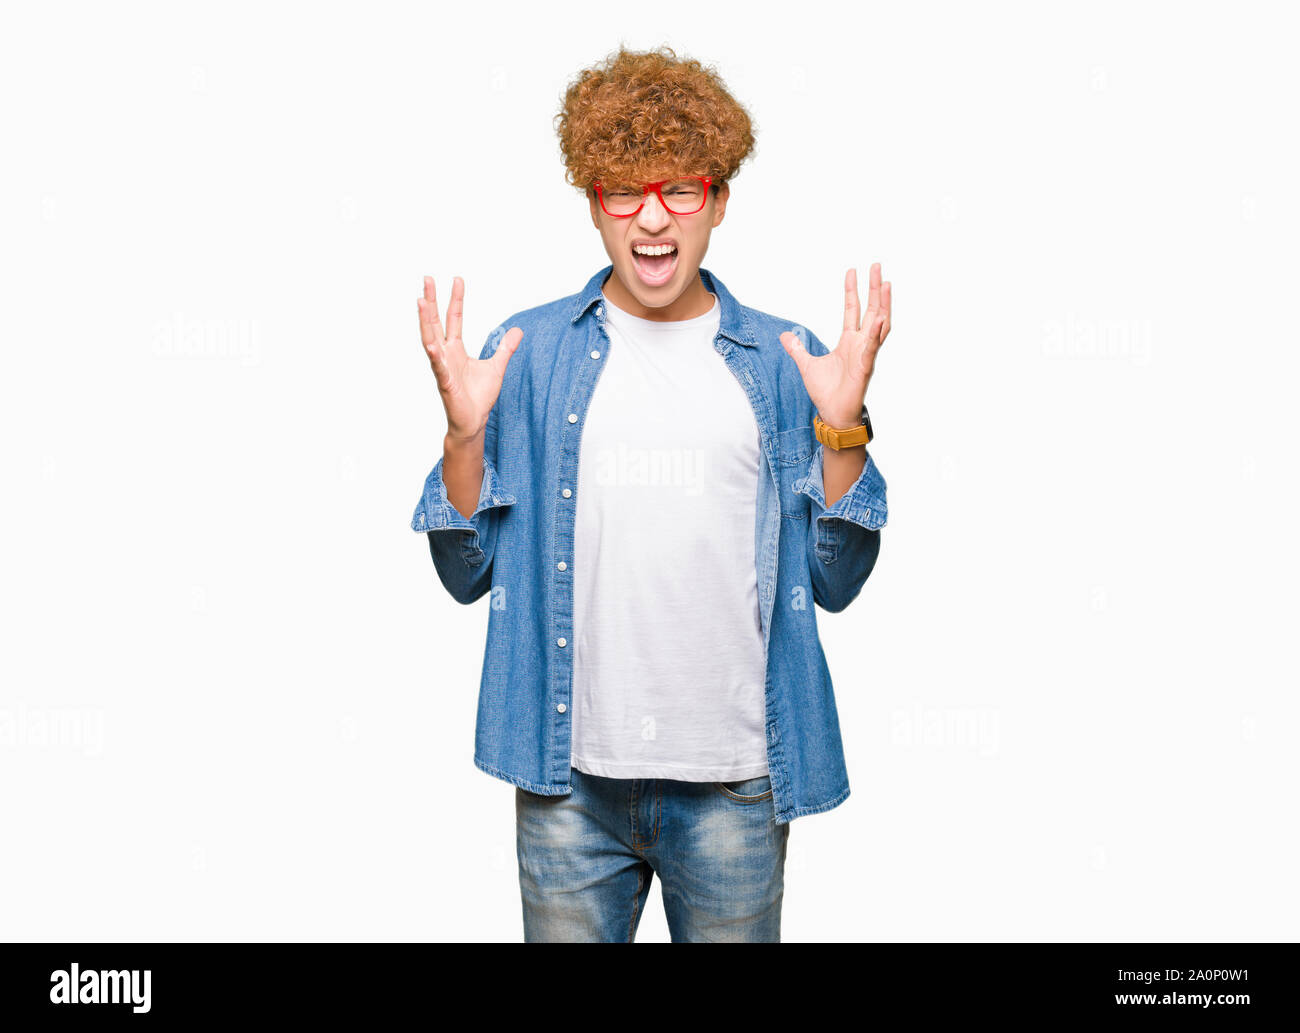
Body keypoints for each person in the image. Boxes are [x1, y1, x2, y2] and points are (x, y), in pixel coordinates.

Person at [411, 44, 893, 942]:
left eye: (680, 188)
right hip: (569, 789)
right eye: (623, 190)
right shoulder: (531, 351)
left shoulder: (787, 362)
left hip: (737, 787)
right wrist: (465, 437)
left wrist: (844, 426)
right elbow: (462, 570)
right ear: (594, 203)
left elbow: (839, 578)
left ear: (716, 200)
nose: (652, 217)